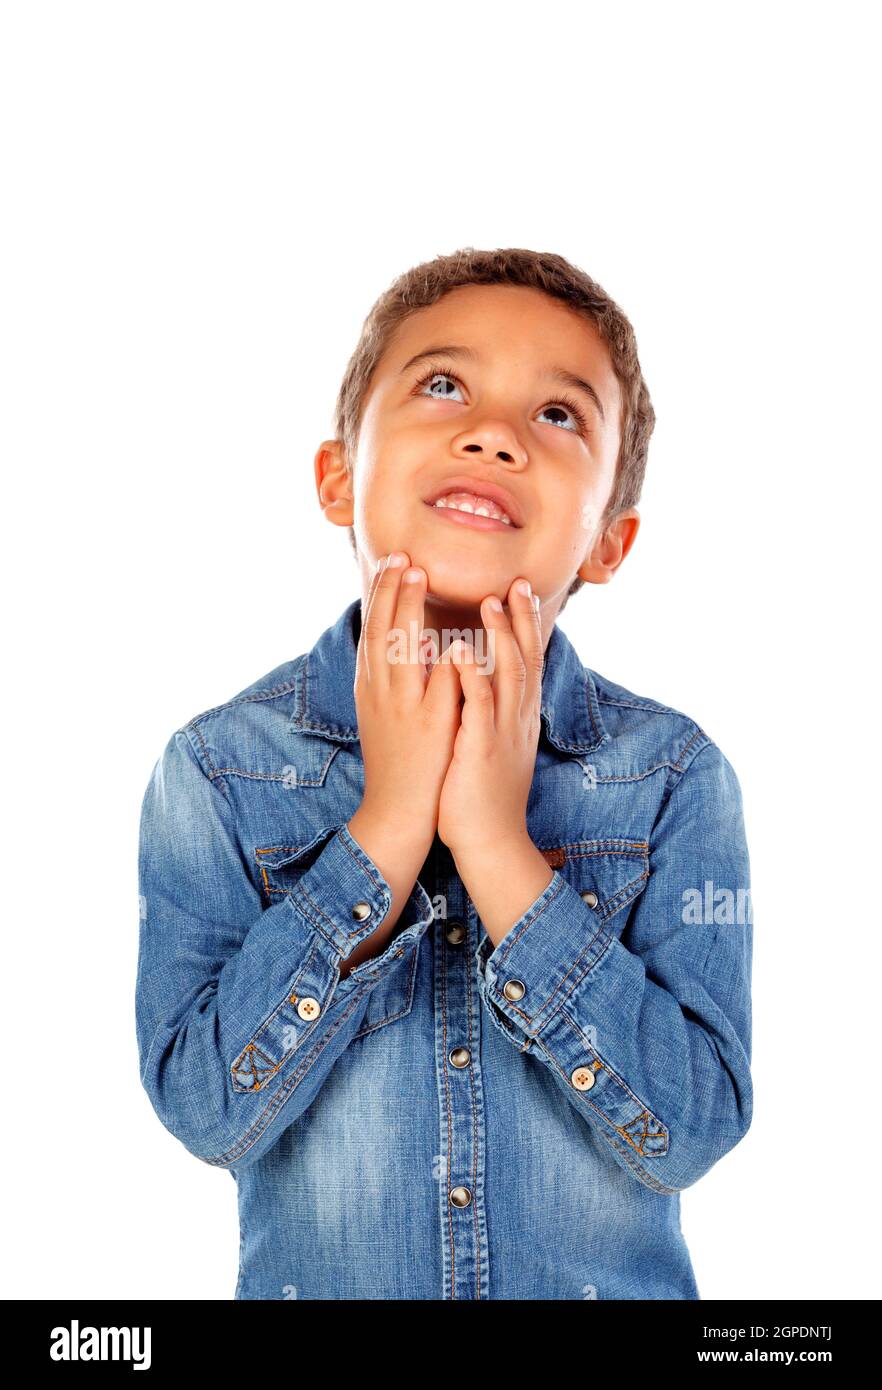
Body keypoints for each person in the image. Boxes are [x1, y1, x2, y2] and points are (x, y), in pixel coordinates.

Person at [136, 246, 753, 1300]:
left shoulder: (672, 776)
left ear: (610, 541)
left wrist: (500, 850)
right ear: (338, 475)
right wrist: (383, 829)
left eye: (559, 416)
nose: (495, 432)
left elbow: (688, 1130)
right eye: (442, 384)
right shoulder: (220, 769)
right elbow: (207, 1109)